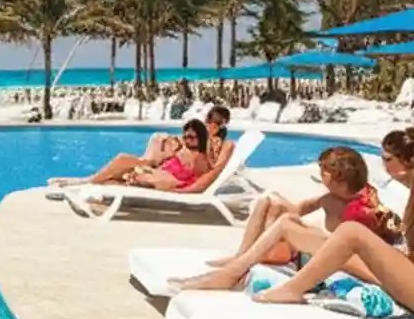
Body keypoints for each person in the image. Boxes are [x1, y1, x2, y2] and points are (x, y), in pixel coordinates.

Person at [173, 133, 412, 295]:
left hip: (390, 274)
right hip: (392, 266)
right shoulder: (341, 199)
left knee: (329, 229)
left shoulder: (361, 209)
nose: (383, 166)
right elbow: (300, 209)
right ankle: (235, 267)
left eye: (387, 159)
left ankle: (245, 275)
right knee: (280, 212)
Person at [200, 145, 399, 271]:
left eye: (323, 172)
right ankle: (240, 256)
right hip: (306, 248)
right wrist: (275, 213)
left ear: (335, 176)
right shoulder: (332, 198)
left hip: (313, 256)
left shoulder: (358, 211)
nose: (320, 175)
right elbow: (300, 207)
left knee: (284, 219)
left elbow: (351, 251)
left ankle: (244, 261)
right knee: (270, 200)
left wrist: (294, 229)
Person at [49, 106, 234, 191]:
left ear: (218, 126)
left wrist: (189, 190)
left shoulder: (225, 145)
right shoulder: (202, 140)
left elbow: (215, 170)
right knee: (117, 176)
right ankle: (86, 182)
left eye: (209, 122)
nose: (206, 125)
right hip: (168, 170)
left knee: (122, 162)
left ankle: (86, 183)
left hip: (176, 177)